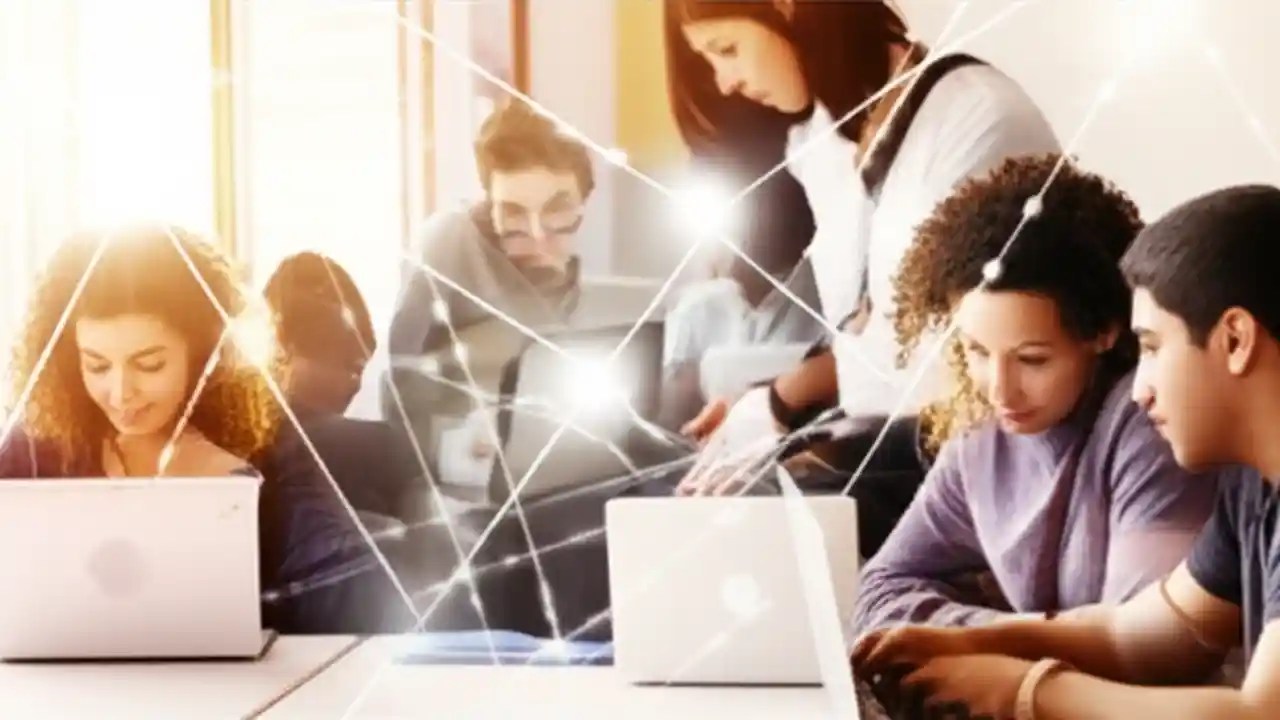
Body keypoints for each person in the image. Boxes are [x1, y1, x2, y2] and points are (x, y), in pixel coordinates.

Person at [852, 185, 1280, 719]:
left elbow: (1262, 714)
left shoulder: (1143, 429)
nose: (1141, 387)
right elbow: (1145, 634)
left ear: (1236, 340)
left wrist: (1023, 691)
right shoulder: (1254, 487)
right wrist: (967, 644)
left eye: (1150, 347)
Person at [663, 0, 1061, 555]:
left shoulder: (976, 116)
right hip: (882, 440)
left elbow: (927, 360)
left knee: (725, 528)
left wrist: (782, 401)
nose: (725, 82)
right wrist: (769, 403)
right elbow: (864, 334)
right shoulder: (818, 142)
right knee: (661, 493)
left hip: (973, 452)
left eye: (727, 50)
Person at [852, 154, 1220, 633]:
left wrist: (960, 637)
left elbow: (1145, 639)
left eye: (1032, 360)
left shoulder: (1149, 419)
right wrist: (994, 632)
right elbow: (880, 586)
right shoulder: (982, 437)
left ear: (1104, 331)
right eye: (977, 351)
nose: (1000, 389)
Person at [0, 226, 414, 633]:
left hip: (231, 693)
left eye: (149, 365)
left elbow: (359, 592)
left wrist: (229, 485)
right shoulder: (35, 447)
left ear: (202, 353)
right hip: (61, 694)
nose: (121, 393)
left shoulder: (269, 438)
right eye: (97, 365)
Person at [384, 97, 595, 507]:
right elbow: (399, 376)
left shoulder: (569, 278)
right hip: (455, 487)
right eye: (513, 212)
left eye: (556, 209)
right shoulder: (448, 241)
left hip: (539, 480)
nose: (537, 234)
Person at [264, 252, 431, 524]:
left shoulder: (222, 448)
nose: (356, 384)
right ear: (287, 349)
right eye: (351, 367)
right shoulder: (371, 448)